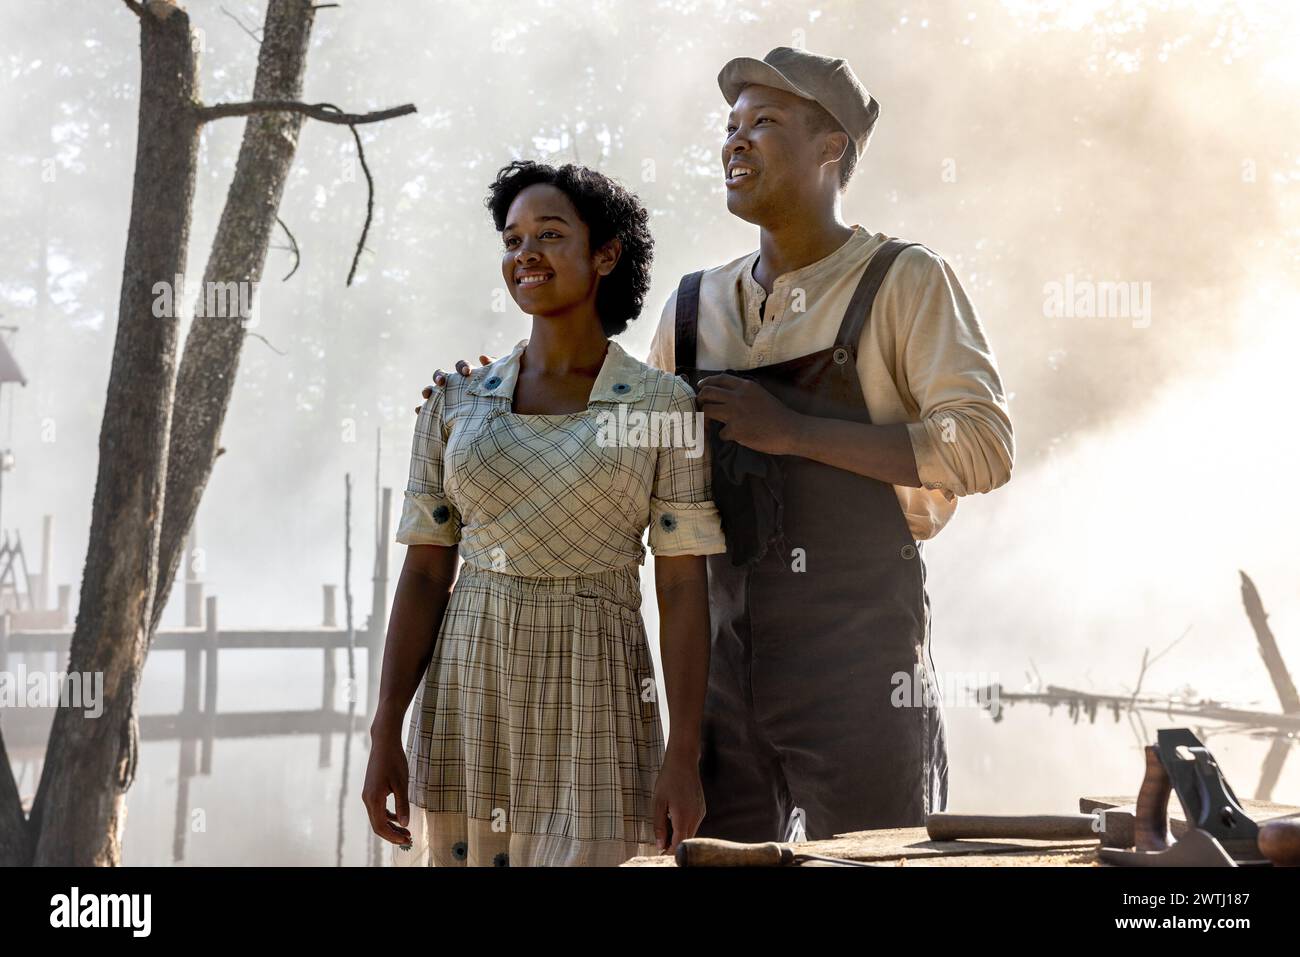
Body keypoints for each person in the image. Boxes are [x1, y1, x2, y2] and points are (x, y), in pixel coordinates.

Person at [427, 47, 1014, 844]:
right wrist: (483, 399)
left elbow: (981, 446)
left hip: (860, 667)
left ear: (831, 148)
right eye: (730, 126)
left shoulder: (903, 280)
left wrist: (798, 432)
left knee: (871, 862)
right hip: (719, 674)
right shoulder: (697, 304)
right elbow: (623, 453)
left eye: (764, 123)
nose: (735, 142)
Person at [364, 160, 726, 867]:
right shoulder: (456, 402)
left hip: (597, 688)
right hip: (471, 686)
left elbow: (683, 587)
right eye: (512, 238)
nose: (525, 252)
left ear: (605, 254)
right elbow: (423, 576)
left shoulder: (661, 405)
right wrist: (385, 731)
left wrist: (683, 753)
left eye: (550, 234)